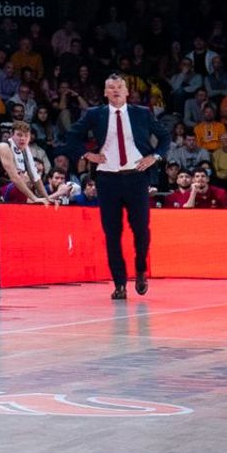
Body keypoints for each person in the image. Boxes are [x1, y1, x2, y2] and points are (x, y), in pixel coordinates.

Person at [76, 73, 169, 298]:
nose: (116, 90)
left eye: (119, 87)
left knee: (141, 230)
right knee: (112, 233)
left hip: (136, 177)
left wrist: (154, 157)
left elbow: (165, 138)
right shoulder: (94, 114)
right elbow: (71, 137)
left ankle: (140, 269)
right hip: (108, 179)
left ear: (127, 91)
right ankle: (119, 283)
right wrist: (87, 154)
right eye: (111, 87)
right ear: (105, 92)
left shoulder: (142, 113)